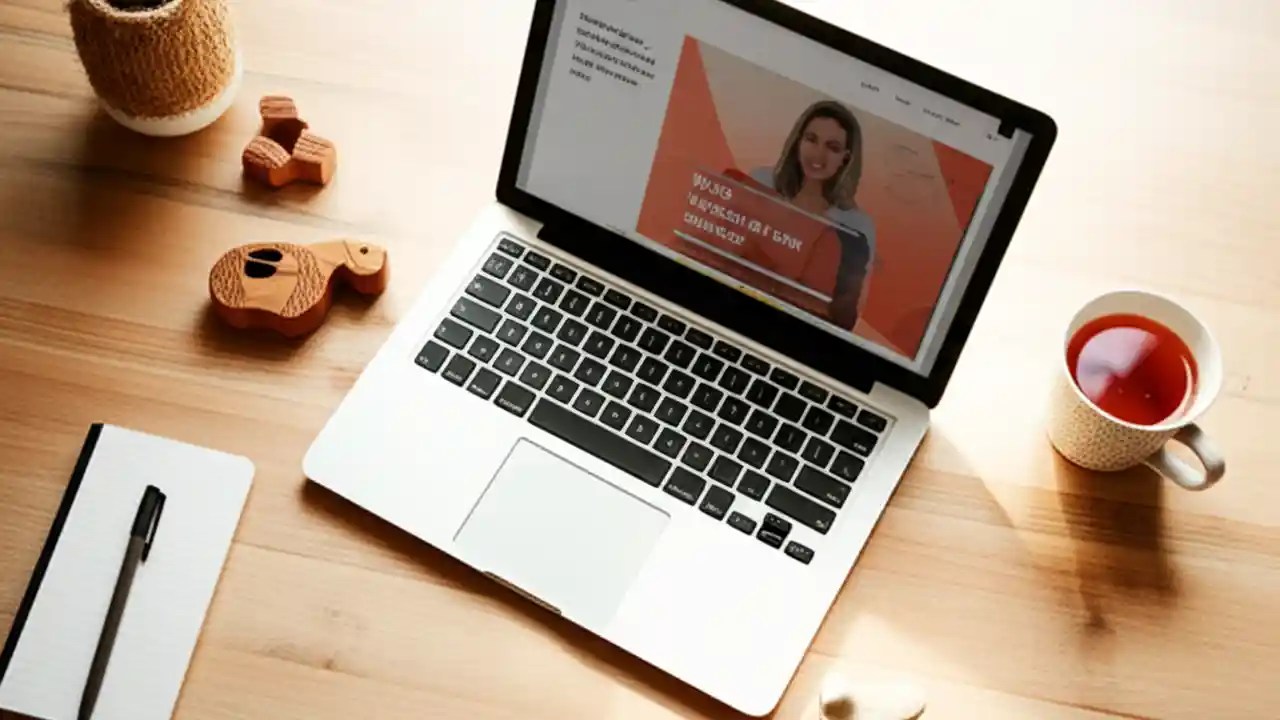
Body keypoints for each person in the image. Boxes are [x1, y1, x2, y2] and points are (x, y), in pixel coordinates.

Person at [748, 100, 875, 329]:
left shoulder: (856, 226)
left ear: (845, 158)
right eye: (811, 139)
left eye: (833, 147)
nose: (818, 154)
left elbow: (845, 312)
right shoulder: (761, 182)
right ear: (798, 141)